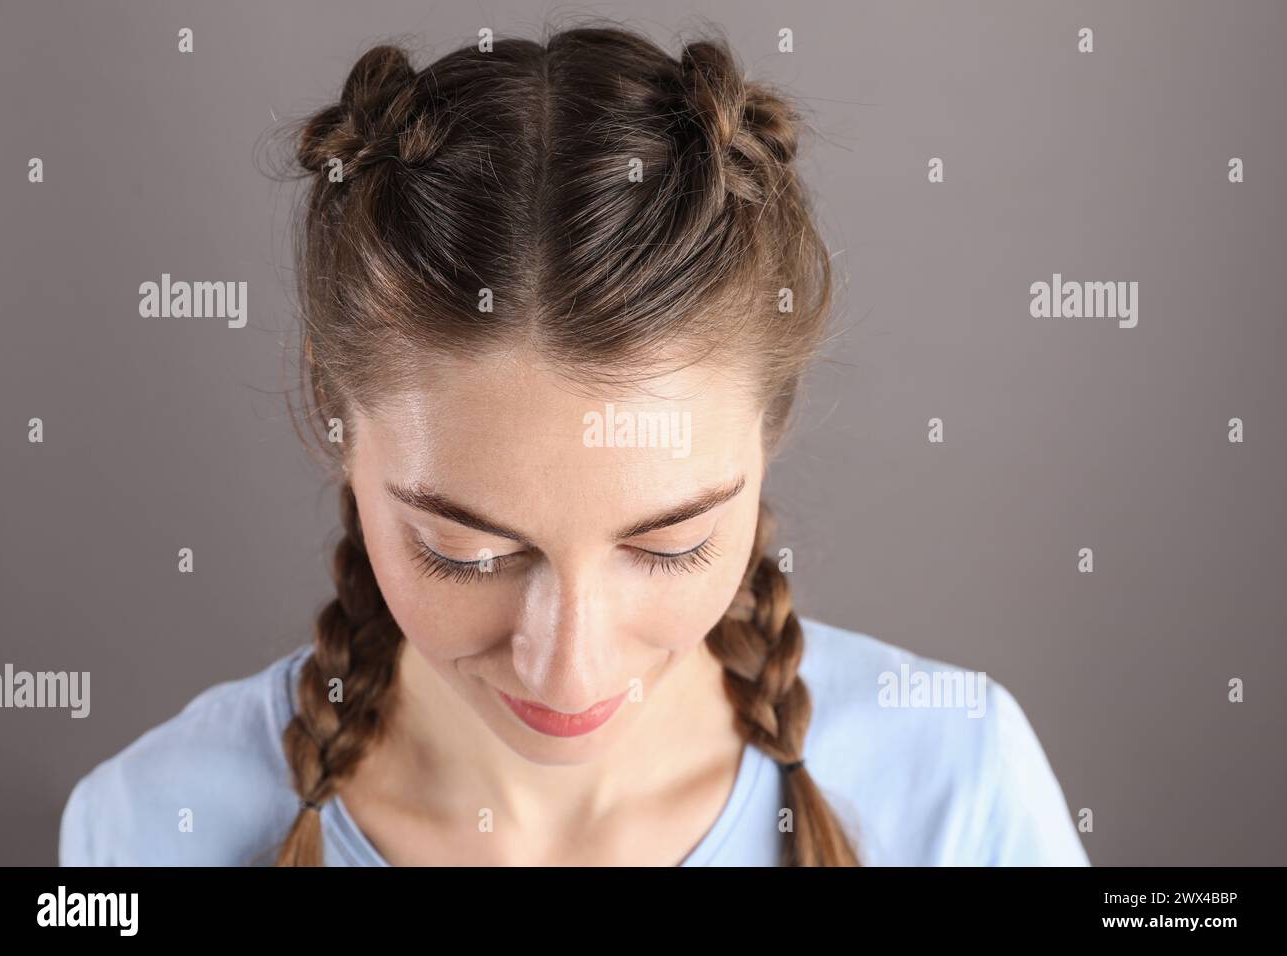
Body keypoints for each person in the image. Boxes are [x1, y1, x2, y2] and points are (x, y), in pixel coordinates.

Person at [59, 24, 1089, 867]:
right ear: (335, 416)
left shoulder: (955, 782)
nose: (568, 668)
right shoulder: (146, 829)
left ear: (770, 426)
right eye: (464, 553)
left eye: (670, 542)